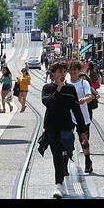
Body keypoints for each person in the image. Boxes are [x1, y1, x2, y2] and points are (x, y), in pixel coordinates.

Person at [40, 62, 86, 198]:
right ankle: (59, 184)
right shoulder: (47, 88)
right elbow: (48, 103)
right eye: (59, 72)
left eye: (63, 72)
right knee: (57, 154)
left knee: (65, 154)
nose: (61, 74)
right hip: (52, 127)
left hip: (66, 127)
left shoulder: (71, 89)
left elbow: (77, 111)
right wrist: (58, 89)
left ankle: (61, 178)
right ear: (53, 73)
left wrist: (82, 131)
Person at [67, 60, 96, 175]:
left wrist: (83, 100)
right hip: (69, 116)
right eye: (71, 70)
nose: (73, 72)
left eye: (75, 70)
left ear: (79, 71)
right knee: (66, 138)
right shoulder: (66, 82)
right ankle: (66, 161)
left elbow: (90, 96)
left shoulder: (84, 83)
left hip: (82, 116)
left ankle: (88, 160)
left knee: (83, 139)